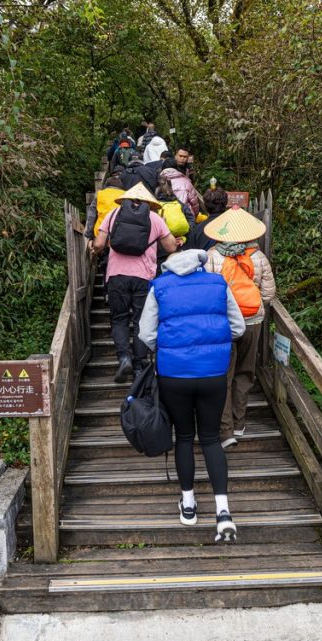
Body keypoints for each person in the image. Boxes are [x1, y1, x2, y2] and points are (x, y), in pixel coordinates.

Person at [138, 249, 246, 541]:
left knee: (184, 437)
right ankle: (223, 512)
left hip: (174, 375)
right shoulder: (218, 282)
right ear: (200, 262)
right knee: (211, 438)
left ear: (169, 266)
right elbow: (239, 327)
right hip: (213, 374)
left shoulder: (159, 286)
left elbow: (146, 333)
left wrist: (170, 346)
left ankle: (188, 506)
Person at [203, 207, 276, 448]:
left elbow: (207, 292)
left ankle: (225, 432)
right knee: (245, 372)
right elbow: (269, 293)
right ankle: (239, 422)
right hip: (252, 321)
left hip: (223, 323)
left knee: (224, 374)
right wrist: (253, 307)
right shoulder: (258, 256)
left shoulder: (212, 255)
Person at [92, 184, 177, 382]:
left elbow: (98, 244)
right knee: (141, 321)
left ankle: (124, 359)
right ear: (149, 203)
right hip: (144, 278)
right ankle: (139, 365)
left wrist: (95, 249)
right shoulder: (154, 218)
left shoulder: (113, 214)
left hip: (116, 276)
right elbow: (171, 246)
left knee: (119, 318)